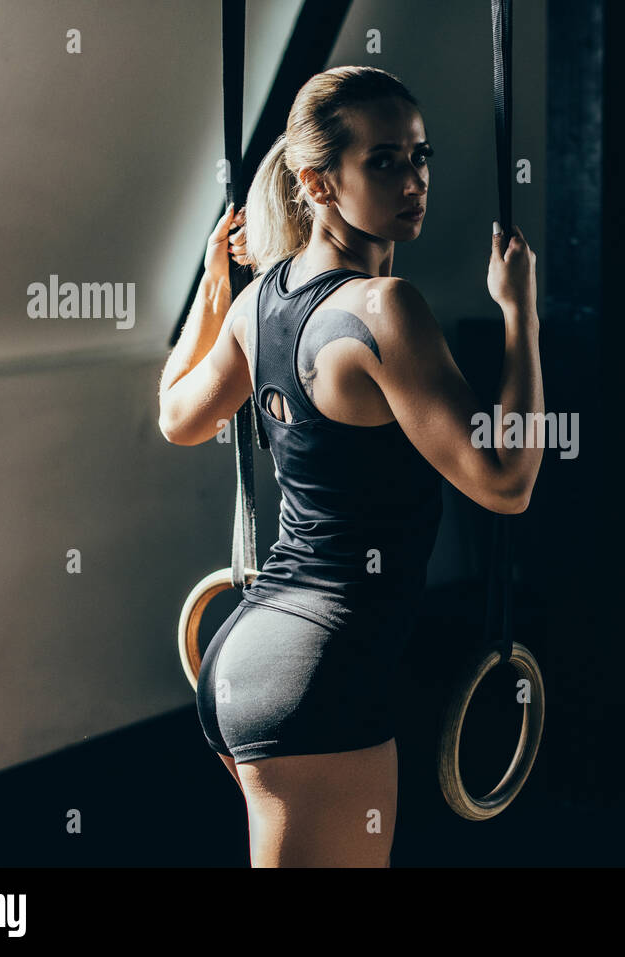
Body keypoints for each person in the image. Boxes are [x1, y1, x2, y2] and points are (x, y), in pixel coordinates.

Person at [157, 66, 543, 866]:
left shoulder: (259, 301)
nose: (415, 181)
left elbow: (176, 416)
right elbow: (506, 482)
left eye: (421, 156)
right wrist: (520, 314)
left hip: (245, 660)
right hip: (317, 684)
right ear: (317, 182)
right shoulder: (384, 310)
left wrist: (213, 286)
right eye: (386, 161)